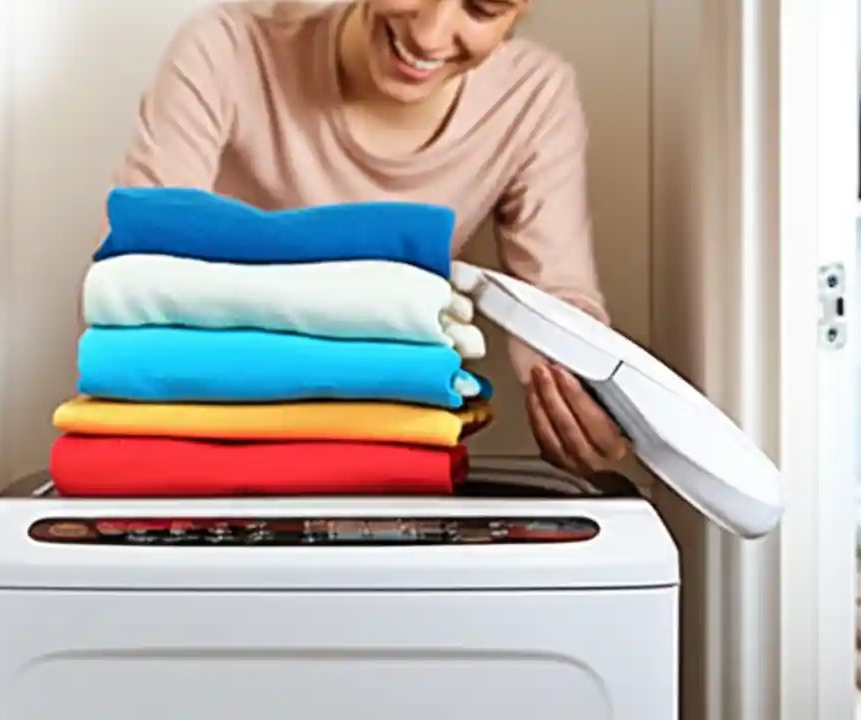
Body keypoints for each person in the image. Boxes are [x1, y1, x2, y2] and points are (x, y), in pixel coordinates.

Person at [112, 0, 630, 475]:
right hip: (213, 444)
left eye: (483, 7)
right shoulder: (226, 52)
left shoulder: (532, 98)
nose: (430, 36)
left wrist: (592, 392)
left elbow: (554, 305)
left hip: (395, 460)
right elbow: (133, 285)